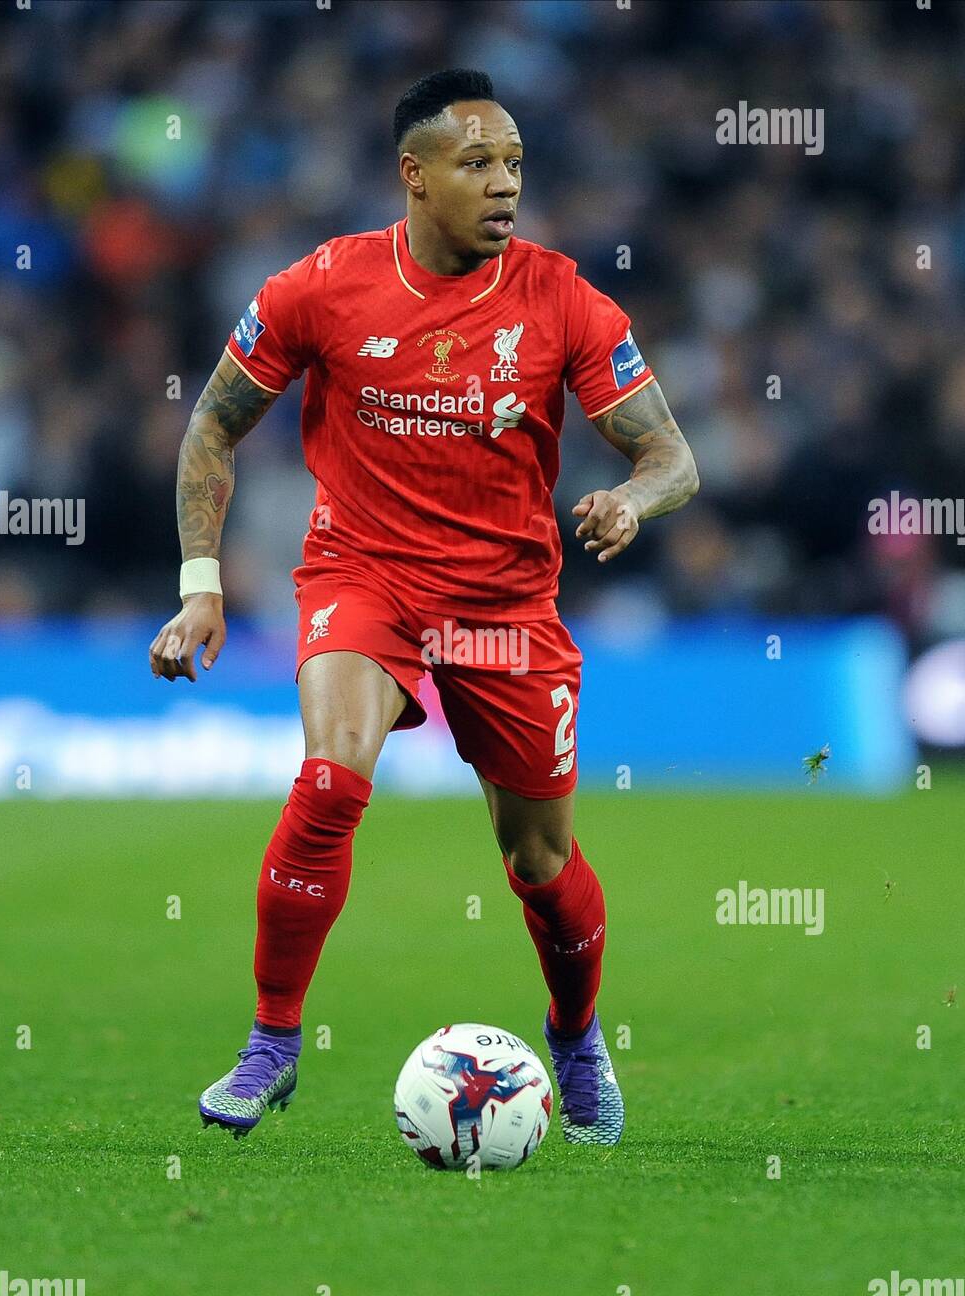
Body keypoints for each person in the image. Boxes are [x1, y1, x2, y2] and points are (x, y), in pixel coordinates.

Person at [148, 69, 699, 1146]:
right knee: (329, 777)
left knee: (540, 862)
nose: (505, 186)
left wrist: (633, 498)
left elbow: (671, 452)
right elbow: (212, 426)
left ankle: (577, 1032)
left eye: (515, 165)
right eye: (478, 164)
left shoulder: (564, 299)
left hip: (504, 603)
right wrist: (201, 587)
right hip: (366, 576)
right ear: (415, 175)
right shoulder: (322, 286)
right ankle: (271, 1044)